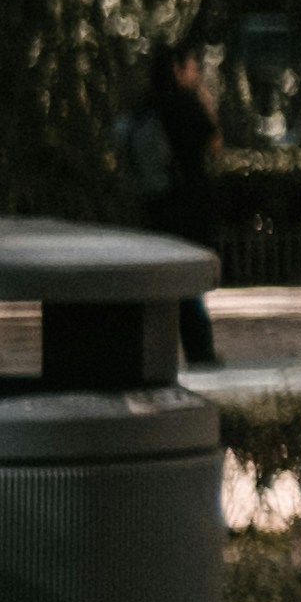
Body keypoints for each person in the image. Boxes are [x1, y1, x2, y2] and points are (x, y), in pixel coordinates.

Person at [119, 43, 225, 366]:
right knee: (189, 280)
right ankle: (199, 350)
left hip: (156, 201)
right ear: (178, 70)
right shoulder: (185, 105)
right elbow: (214, 142)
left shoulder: (146, 108)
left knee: (163, 279)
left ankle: (152, 352)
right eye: (192, 66)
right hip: (186, 201)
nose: (196, 72)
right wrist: (205, 99)